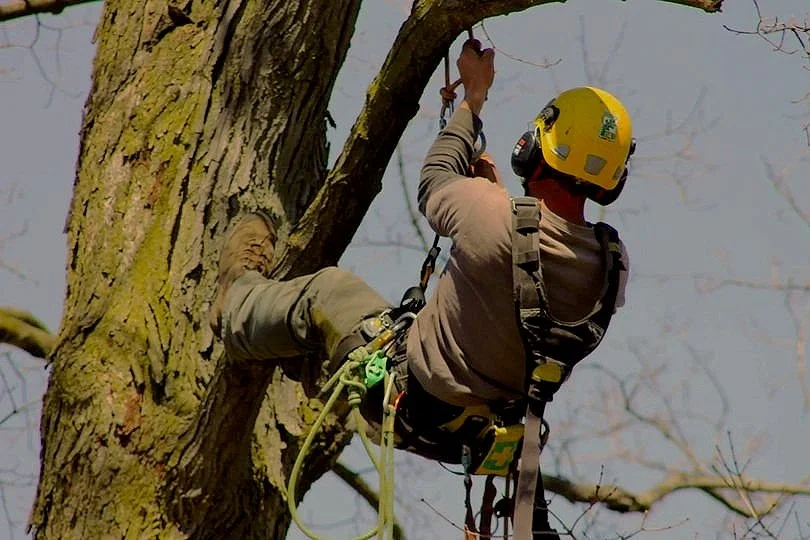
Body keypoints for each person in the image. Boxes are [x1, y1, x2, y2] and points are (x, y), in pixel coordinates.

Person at [210, 37, 633, 530]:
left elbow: (434, 180)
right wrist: (499, 202)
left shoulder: (490, 215)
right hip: (471, 437)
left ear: (539, 142)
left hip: (406, 399)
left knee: (328, 292)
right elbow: (529, 286)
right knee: (348, 333)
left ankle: (233, 308)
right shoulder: (612, 265)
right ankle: (301, 361)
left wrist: (473, 100)